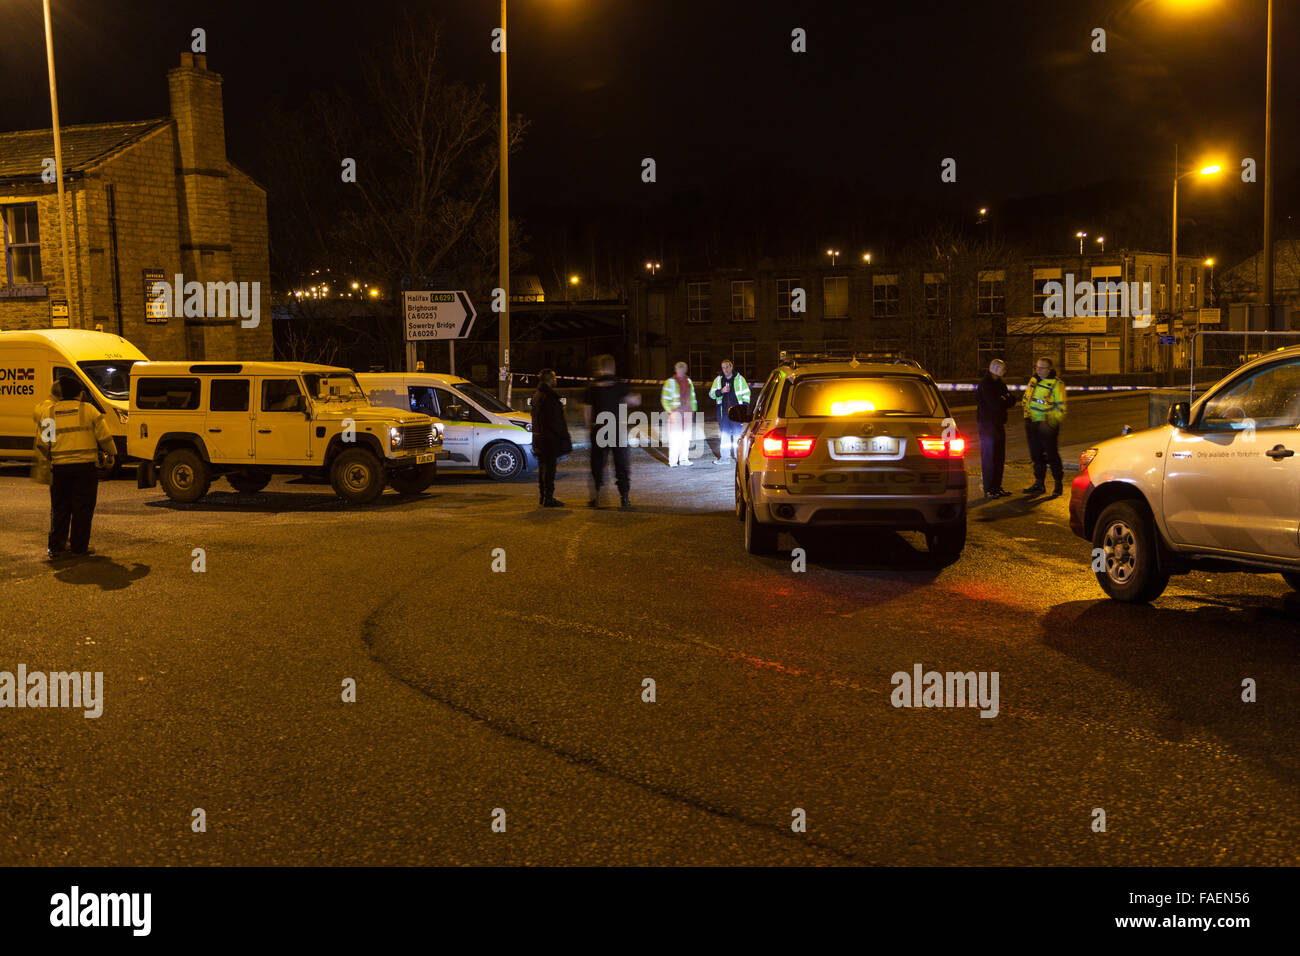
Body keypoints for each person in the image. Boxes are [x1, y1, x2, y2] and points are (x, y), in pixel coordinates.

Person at [34, 375, 116, 560]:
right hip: (84, 469)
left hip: (60, 469)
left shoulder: (50, 413)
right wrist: (111, 454)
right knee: (83, 509)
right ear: (80, 393)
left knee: (60, 508)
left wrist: (52, 457)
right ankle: (79, 547)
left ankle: (57, 548)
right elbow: (105, 438)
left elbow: (42, 443)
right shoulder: (89, 410)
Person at [582, 354, 638, 508]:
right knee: (621, 463)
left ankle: (597, 497)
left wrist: (589, 427)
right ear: (612, 367)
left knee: (598, 464)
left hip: (599, 428)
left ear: (600, 368)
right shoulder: (618, 385)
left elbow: (586, 410)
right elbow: (634, 400)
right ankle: (624, 497)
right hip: (617, 429)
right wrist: (635, 397)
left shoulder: (592, 386)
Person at [1022, 356, 1067, 497]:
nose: (1038, 370)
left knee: (1052, 456)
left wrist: (1049, 422)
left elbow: (1060, 408)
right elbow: (1027, 399)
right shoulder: (1033, 381)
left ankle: (1058, 484)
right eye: (1036, 367)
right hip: (1032, 424)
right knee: (1036, 456)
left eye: (1041, 368)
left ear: (1049, 369)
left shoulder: (1056, 384)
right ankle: (1039, 483)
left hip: (1047, 426)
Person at [975, 358, 1019, 498]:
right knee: (989, 457)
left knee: (999, 456)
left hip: (998, 423)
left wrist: (1004, 400)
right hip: (987, 425)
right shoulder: (985, 384)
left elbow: (1011, 400)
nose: (1004, 371)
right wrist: (1004, 399)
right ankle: (989, 488)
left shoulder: (1000, 383)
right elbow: (995, 404)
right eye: (1002, 368)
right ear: (995, 368)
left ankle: (997, 487)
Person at [529, 369, 571, 507]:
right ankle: (548, 497)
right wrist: (563, 437)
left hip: (539, 437)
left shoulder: (537, 395)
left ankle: (543, 495)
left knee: (542, 468)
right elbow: (555, 421)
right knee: (549, 469)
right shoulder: (549, 397)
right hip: (549, 438)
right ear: (549, 379)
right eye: (554, 378)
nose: (555, 380)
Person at [708, 359, 751, 463]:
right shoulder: (718, 380)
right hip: (724, 413)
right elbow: (711, 394)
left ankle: (739, 457)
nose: (725, 369)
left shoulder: (740, 379)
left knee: (737, 435)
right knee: (725, 436)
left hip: (737, 412)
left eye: (727, 367)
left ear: (731, 367)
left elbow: (746, 395)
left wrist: (744, 409)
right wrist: (721, 391)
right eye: (723, 367)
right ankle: (725, 458)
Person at [660, 361, 697, 467]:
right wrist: (671, 411)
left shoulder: (688, 381)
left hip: (687, 413)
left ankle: (684, 459)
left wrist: (693, 410)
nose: (681, 370)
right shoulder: (670, 382)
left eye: (682, 368)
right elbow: (665, 399)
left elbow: (692, 396)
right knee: (675, 438)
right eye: (679, 368)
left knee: (686, 437)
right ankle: (673, 461)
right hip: (676, 413)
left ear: (685, 370)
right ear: (676, 370)